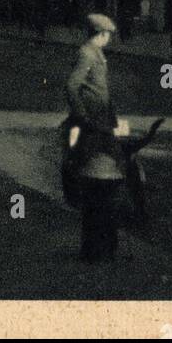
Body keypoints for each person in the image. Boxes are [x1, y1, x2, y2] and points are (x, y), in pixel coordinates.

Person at [65, 13, 128, 262]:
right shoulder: (87, 54)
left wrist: (116, 123)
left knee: (104, 185)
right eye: (108, 35)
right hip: (93, 129)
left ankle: (102, 247)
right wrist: (82, 117)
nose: (109, 39)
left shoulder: (97, 55)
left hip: (102, 125)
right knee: (98, 186)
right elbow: (72, 86)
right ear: (100, 34)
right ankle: (95, 249)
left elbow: (103, 94)